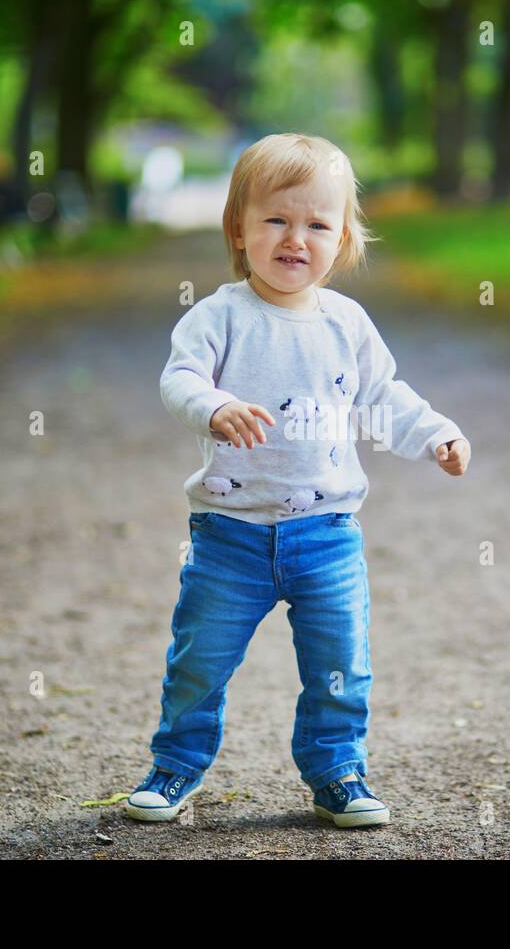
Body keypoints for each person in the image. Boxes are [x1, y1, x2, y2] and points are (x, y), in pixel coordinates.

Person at [125, 133, 471, 829]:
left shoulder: (347, 324)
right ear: (239, 229)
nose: (296, 238)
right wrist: (214, 405)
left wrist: (435, 432)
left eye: (318, 224)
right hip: (229, 536)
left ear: (343, 239)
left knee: (341, 665)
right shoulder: (219, 317)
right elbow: (180, 378)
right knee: (200, 660)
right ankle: (175, 765)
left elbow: (385, 397)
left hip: (328, 537)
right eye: (277, 220)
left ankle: (337, 770)